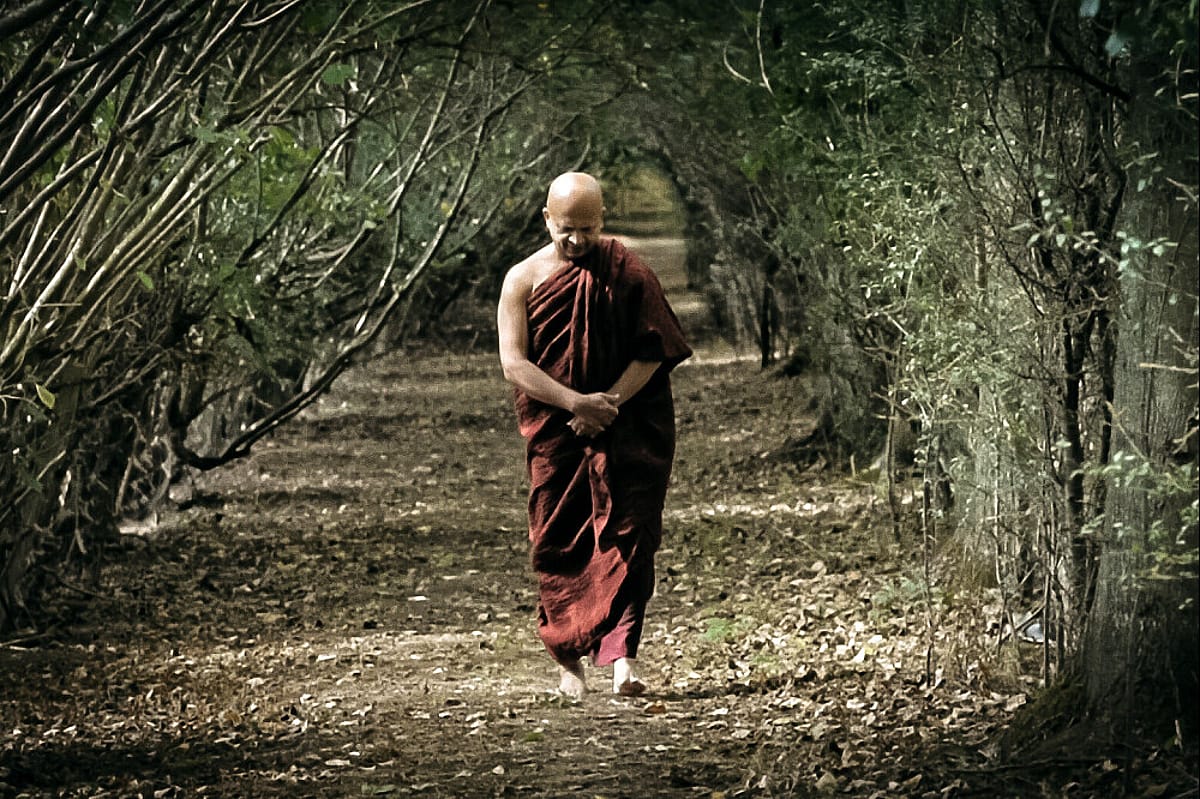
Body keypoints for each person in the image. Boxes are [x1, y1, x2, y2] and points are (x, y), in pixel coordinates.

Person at [497, 171, 692, 699]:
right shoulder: (522, 278)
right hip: (556, 432)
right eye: (566, 229)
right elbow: (515, 363)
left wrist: (607, 406)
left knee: (629, 535)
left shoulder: (628, 271)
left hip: (629, 424)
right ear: (546, 219)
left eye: (586, 228)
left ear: (602, 221)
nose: (577, 240)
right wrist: (575, 404)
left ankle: (622, 658)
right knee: (558, 539)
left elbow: (655, 350)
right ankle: (569, 662)